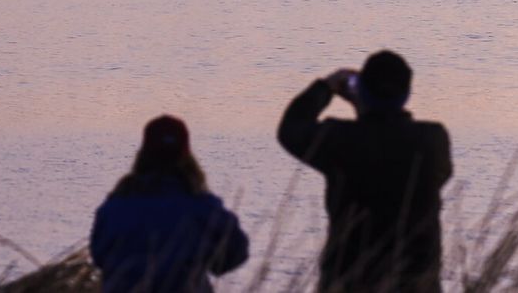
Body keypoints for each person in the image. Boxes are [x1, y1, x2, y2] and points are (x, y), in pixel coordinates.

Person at [277, 50, 453, 293]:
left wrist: (326, 87)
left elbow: (291, 130)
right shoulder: (433, 140)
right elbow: (439, 175)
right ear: (407, 94)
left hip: (348, 282)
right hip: (416, 283)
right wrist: (367, 112)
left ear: (362, 91)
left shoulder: (340, 140)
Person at [91, 115, 249, 293]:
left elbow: (99, 256)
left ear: (143, 153)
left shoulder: (113, 208)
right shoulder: (203, 208)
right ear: (187, 156)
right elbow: (236, 253)